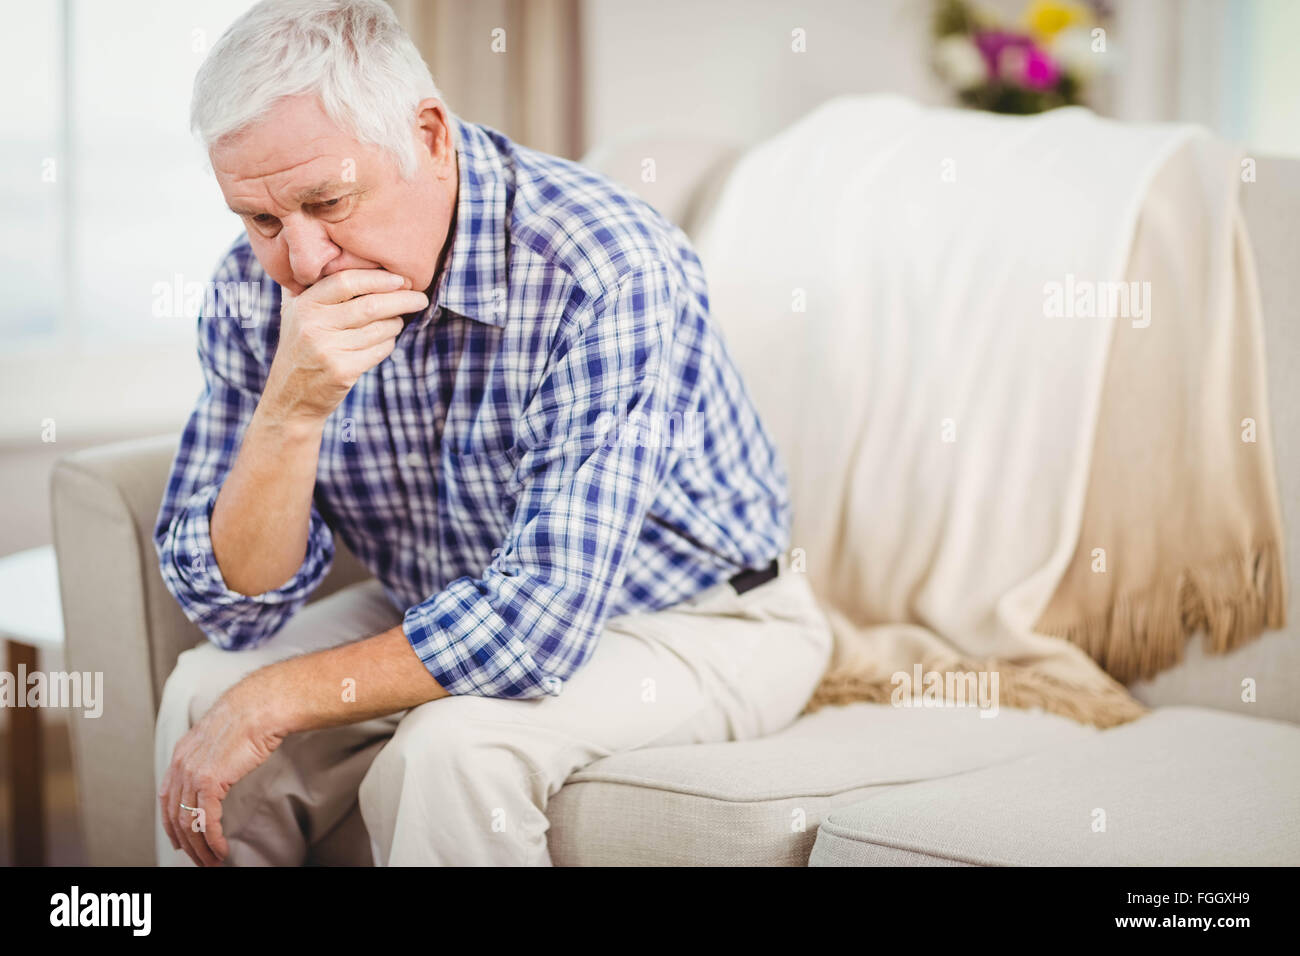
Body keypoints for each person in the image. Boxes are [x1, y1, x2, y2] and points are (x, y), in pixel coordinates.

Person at [153, 0, 832, 867]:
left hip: (700, 616)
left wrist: (278, 699)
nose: (304, 261)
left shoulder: (605, 268)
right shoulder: (256, 292)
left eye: (328, 200)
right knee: (202, 688)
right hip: (444, 597)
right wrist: (291, 413)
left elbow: (537, 624)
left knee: (452, 750)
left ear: (429, 136)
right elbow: (231, 607)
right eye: (262, 221)